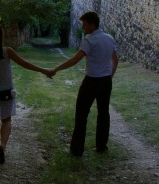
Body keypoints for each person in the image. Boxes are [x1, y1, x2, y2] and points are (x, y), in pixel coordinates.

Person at [0, 23, 52, 164]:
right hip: (6, 90)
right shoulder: (7, 51)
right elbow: (25, 64)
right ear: (1, 36)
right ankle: (3, 147)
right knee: (6, 120)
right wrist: (43, 70)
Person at [50, 11, 118, 157]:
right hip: (105, 81)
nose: (83, 28)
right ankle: (101, 146)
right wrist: (110, 76)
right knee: (103, 113)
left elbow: (75, 59)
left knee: (81, 114)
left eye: (85, 25)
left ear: (92, 25)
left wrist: (56, 69)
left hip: (91, 81)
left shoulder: (89, 40)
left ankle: (76, 150)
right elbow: (115, 59)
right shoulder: (109, 38)